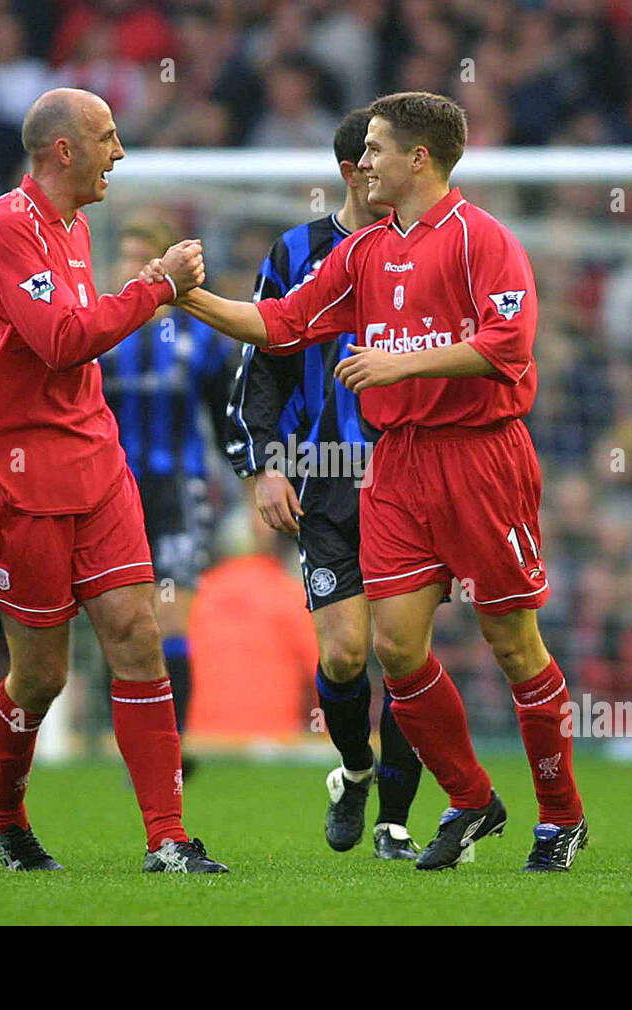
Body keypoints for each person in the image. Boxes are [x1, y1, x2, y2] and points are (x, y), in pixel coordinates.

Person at [169, 91, 587, 872]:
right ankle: (470, 799)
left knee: (511, 641)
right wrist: (184, 296)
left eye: (377, 149)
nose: (362, 165)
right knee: (393, 649)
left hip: (480, 455)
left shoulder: (479, 238)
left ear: (418, 159)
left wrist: (401, 362)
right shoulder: (360, 254)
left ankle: (560, 817)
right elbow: (283, 322)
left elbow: (510, 342)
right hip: (394, 464)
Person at [0, 87, 226, 874]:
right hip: (18, 474)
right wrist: (157, 286)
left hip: (96, 460)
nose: (121, 152)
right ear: (63, 150)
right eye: (108, 138)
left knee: (139, 638)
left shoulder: (75, 227)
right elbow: (62, 341)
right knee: (39, 677)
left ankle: (167, 837)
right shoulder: (7, 227)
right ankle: (4, 815)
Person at [225, 107, 423, 860]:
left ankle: (397, 823)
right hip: (324, 479)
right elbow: (263, 363)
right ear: (354, 172)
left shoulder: (423, 249)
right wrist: (266, 464)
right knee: (345, 654)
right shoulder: (297, 252)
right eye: (375, 158)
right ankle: (355, 769)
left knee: (406, 655)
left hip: (407, 476)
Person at [100, 216, 237, 763]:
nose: (133, 264)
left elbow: (225, 413)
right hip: (114, 491)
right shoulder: (103, 331)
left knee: (173, 615)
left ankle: (171, 746)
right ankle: (134, 739)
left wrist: (251, 479)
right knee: (129, 620)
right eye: (126, 253)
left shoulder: (198, 336)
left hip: (180, 487)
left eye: (144, 255)